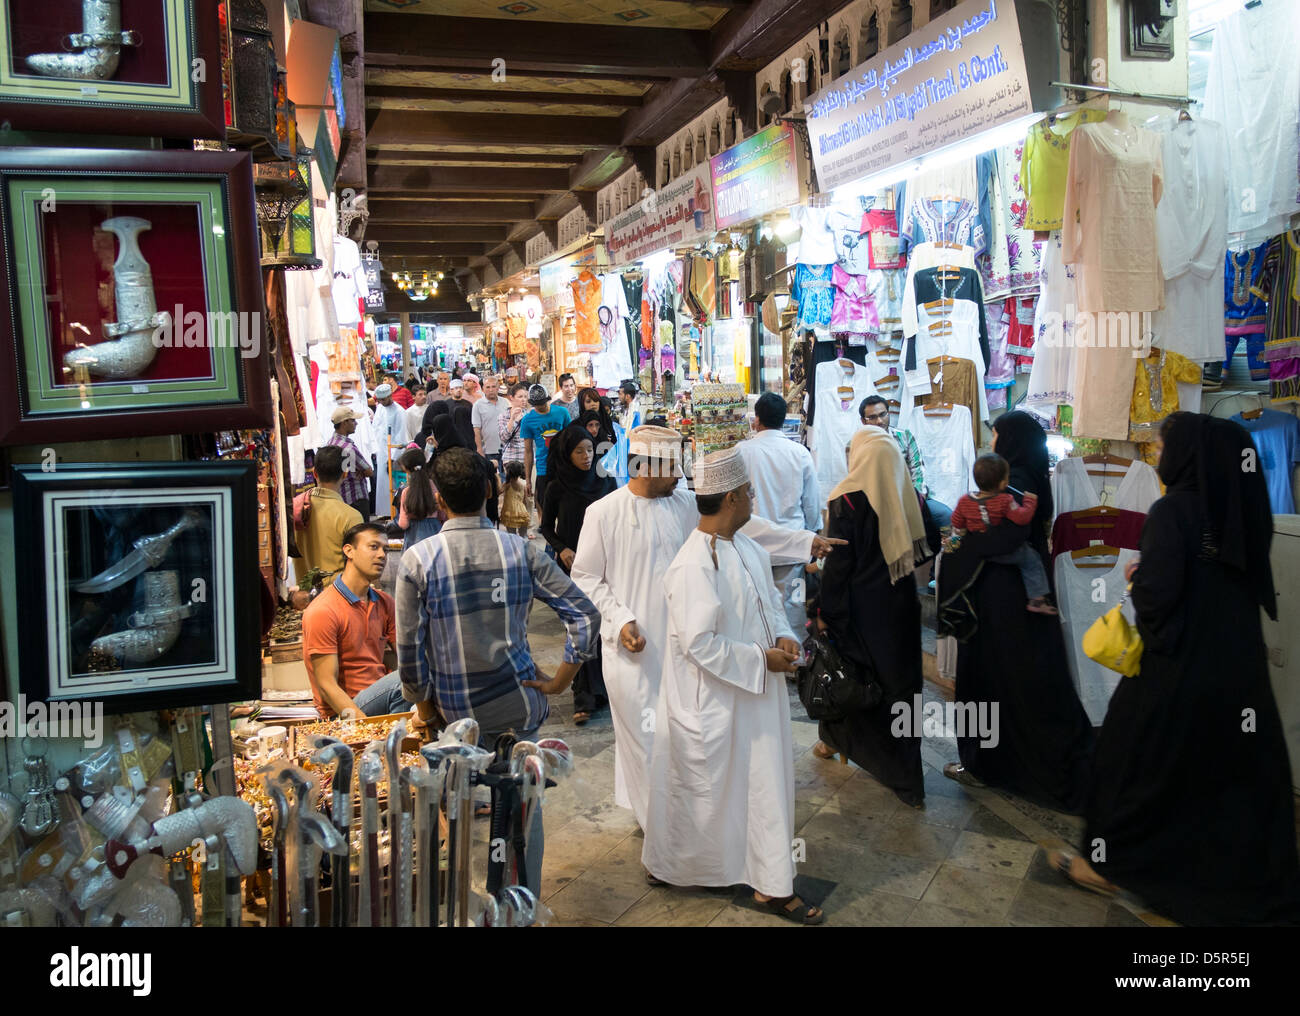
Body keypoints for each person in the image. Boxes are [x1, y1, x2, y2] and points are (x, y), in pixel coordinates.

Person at [1050, 413, 1300, 925]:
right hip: (1238, 672)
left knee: (1127, 762)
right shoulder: (1239, 511)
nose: (1158, 456)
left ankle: (1108, 865)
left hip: (1176, 668)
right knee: (1229, 776)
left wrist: (1138, 577)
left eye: (1163, 447)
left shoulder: (1172, 511)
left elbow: (1160, 600)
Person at [571, 425, 844, 832]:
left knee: (684, 742)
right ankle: (660, 836)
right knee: (645, 742)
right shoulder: (603, 512)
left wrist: (804, 542)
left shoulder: (685, 505)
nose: (680, 476)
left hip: (688, 649)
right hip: (635, 652)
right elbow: (586, 577)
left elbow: (746, 529)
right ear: (643, 466)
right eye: (670, 467)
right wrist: (619, 617)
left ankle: (684, 828)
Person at [395, 448, 600, 894]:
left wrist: (427, 712)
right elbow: (585, 615)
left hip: (456, 715)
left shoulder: (418, 561)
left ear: (438, 498)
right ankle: (522, 900)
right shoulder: (520, 552)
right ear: (489, 490)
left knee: (458, 809)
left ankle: (470, 901)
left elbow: (410, 655)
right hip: (518, 704)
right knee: (526, 805)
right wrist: (560, 681)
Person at [641, 449, 824, 924]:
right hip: (717, 698)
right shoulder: (692, 566)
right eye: (747, 493)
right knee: (713, 790)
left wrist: (783, 633)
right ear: (729, 498)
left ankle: (769, 880)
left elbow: (771, 604)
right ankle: (703, 868)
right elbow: (699, 645)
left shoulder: (749, 547)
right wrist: (761, 658)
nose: (753, 499)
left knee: (760, 788)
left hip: (755, 695)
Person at [936, 411, 1093, 810]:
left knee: (991, 679)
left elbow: (1002, 541)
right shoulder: (1029, 475)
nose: (991, 442)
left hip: (1000, 599)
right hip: (1023, 597)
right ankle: (1003, 765)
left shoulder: (1013, 480)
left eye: (995, 435)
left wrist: (960, 544)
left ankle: (987, 765)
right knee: (1024, 682)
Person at [810, 426, 931, 807]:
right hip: (901, 608)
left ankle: (843, 744)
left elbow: (840, 565)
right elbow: (928, 547)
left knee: (857, 680)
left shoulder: (846, 500)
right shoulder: (908, 494)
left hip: (861, 611)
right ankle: (905, 772)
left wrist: (825, 613)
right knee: (900, 686)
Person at [540, 424, 616, 724]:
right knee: (582, 629)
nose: (586, 457)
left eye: (589, 449)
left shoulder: (605, 482)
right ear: (566, 454)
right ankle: (583, 695)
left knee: (604, 626)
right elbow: (546, 527)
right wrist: (561, 549)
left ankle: (603, 689)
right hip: (572, 567)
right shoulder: (556, 486)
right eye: (579, 451)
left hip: (604, 565)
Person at [302, 522, 407, 718]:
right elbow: (326, 685)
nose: (382, 555)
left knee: (418, 671)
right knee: (404, 679)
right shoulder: (323, 610)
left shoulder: (385, 602)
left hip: (378, 696)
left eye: (385, 549)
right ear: (349, 551)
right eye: (373, 547)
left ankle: (397, 737)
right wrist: (363, 726)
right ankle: (391, 738)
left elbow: (405, 655)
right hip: (344, 710)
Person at [737, 391, 820, 635]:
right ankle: (794, 665)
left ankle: (763, 660)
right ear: (783, 420)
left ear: (757, 419)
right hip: (792, 550)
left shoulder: (741, 451)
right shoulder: (800, 453)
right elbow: (812, 505)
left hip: (751, 546)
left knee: (754, 607)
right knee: (794, 605)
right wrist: (811, 539)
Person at [946, 454, 1056, 614]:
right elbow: (1022, 517)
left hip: (977, 553)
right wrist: (1030, 501)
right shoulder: (1005, 501)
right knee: (1032, 559)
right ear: (1003, 482)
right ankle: (1037, 600)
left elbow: (956, 522)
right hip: (1004, 552)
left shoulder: (964, 500)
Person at [860, 395, 951, 530]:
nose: (879, 421)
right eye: (872, 417)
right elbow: (862, 483)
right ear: (863, 421)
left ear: (888, 413)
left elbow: (918, 471)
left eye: (882, 414)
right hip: (877, 505)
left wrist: (914, 503)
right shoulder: (857, 446)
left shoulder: (905, 437)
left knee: (945, 515)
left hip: (911, 499)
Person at [298, 444, 365, 579]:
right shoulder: (351, 516)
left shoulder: (295, 507)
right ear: (344, 474)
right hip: (337, 594)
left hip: (303, 594)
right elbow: (360, 565)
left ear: (314, 473)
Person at [520, 384, 571, 518]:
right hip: (543, 467)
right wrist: (528, 479)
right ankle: (547, 533)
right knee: (543, 504)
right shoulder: (527, 420)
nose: (540, 406)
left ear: (547, 399)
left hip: (563, 466)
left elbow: (571, 438)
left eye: (542, 403)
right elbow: (528, 451)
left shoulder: (562, 413)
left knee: (565, 505)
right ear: (532, 403)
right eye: (537, 404)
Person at [326, 406, 374, 519]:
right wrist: (361, 472)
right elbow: (369, 471)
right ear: (344, 423)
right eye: (353, 420)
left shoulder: (331, 442)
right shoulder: (348, 448)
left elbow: (344, 468)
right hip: (356, 498)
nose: (356, 423)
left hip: (342, 497)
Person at [371, 383, 407, 516]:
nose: (381, 402)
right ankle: (384, 513)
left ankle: (394, 514)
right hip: (380, 453)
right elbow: (375, 428)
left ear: (390, 396)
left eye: (384, 399)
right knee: (382, 486)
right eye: (379, 400)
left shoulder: (399, 411)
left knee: (393, 486)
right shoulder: (380, 408)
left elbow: (401, 437)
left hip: (393, 455)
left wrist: (393, 458)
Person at [396, 447, 443, 550]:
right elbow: (442, 515)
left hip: (414, 536)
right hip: (435, 532)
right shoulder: (434, 487)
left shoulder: (406, 492)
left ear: (407, 471)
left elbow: (403, 524)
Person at [471, 374, 504, 476]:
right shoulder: (478, 405)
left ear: (498, 388)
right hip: (488, 451)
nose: (491, 390)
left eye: (493, 387)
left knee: (507, 481)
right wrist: (479, 449)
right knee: (493, 481)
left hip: (506, 450)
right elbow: (476, 429)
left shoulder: (506, 403)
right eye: (488, 387)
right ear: (483, 389)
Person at [498, 382, 529, 485]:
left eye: (525, 396)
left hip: (526, 457)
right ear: (511, 398)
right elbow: (503, 437)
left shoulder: (529, 415)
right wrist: (513, 420)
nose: (524, 399)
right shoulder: (504, 416)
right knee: (512, 491)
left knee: (527, 491)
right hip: (511, 458)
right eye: (520, 397)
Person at [499, 460, 531, 538]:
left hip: (510, 512)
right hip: (522, 512)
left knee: (512, 537)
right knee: (523, 536)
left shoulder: (507, 484)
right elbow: (525, 500)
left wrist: (496, 478)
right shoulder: (523, 484)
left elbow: (498, 492)